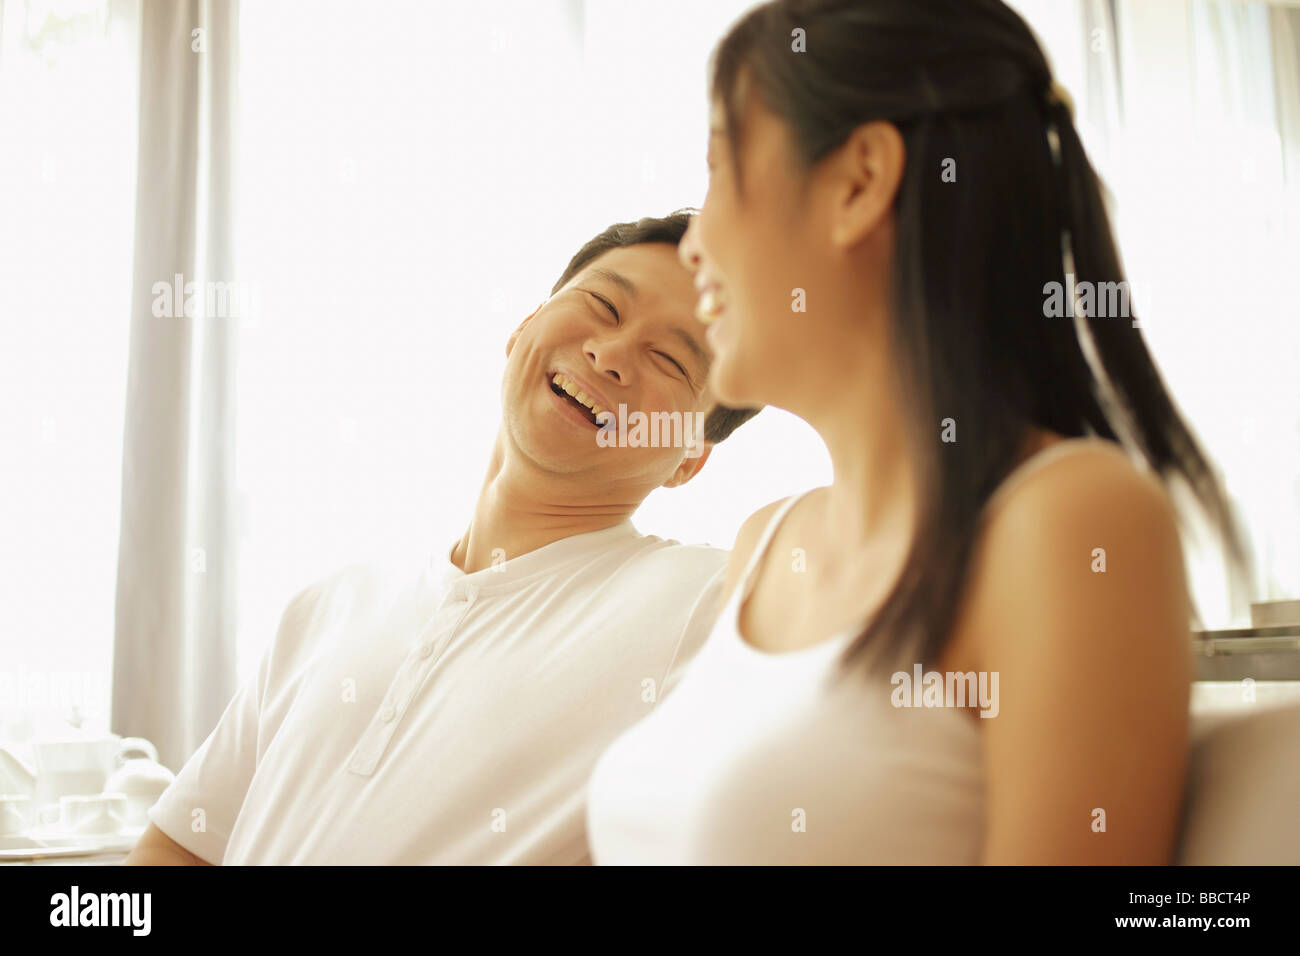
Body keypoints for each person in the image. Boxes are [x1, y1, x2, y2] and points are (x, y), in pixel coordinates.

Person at [586, 0, 1249, 865]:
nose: (696, 244)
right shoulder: (766, 546)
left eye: (719, 172)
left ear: (859, 183)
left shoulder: (1068, 522)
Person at [124, 211, 760, 865]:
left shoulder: (706, 602)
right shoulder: (333, 603)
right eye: (601, 305)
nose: (610, 354)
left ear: (691, 456)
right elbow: (182, 846)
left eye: (669, 358)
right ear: (523, 329)